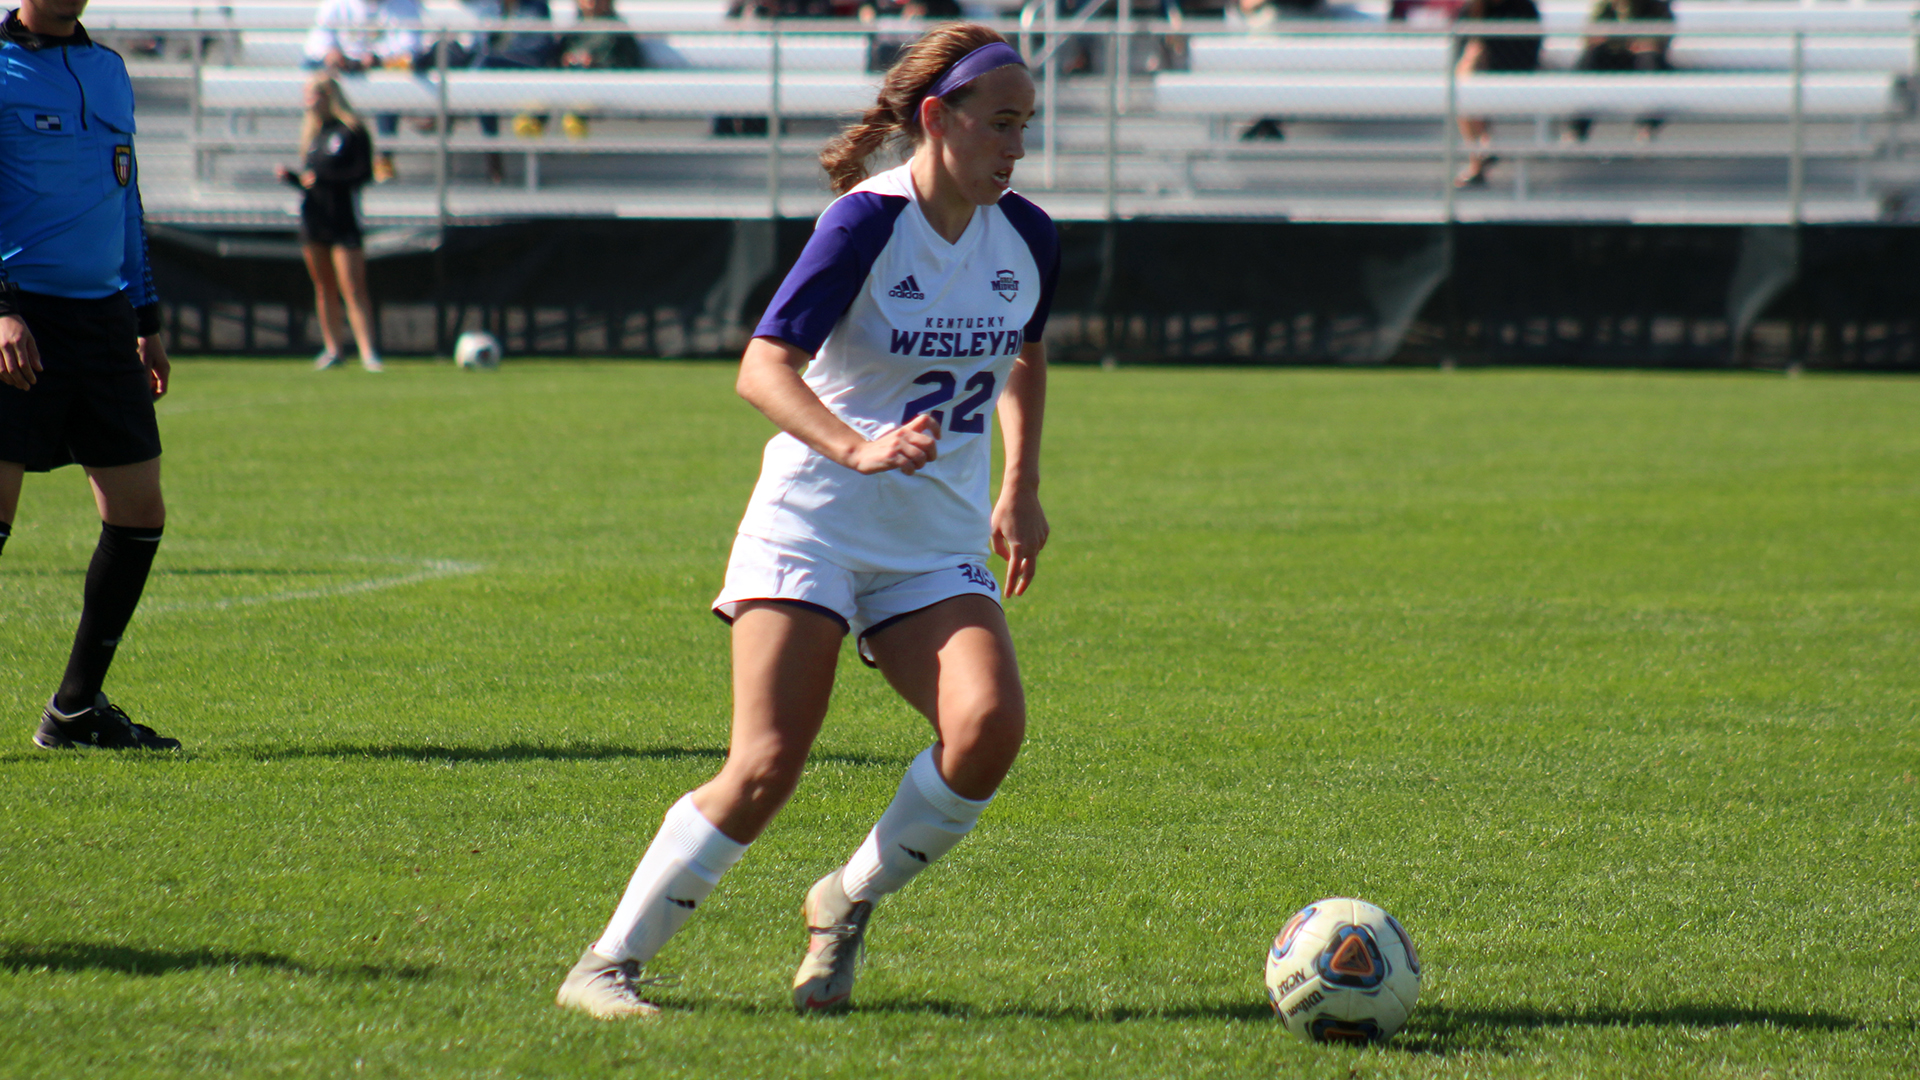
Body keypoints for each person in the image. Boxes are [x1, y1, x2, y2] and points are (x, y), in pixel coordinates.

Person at [554, 22, 1058, 1019]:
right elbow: (761, 368)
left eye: (1026, 128)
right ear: (935, 118)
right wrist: (857, 446)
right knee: (768, 763)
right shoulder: (866, 225)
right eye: (1000, 125)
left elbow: (1024, 356)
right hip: (814, 521)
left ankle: (846, 899)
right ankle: (603, 968)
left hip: (933, 538)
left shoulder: (1030, 234)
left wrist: (1020, 486)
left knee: (989, 728)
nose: (1016, 147)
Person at [1, 0, 180, 751]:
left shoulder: (108, 68)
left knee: (139, 514)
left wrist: (145, 319)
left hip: (104, 320)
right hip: (20, 321)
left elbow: (126, 193)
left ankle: (75, 709)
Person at [277, 75, 383, 373]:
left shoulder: (351, 131)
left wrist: (324, 180)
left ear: (328, 96)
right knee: (323, 286)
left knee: (353, 286)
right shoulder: (313, 134)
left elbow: (362, 174)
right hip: (314, 218)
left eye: (313, 95)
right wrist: (293, 180)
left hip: (342, 218)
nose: (308, 101)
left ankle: (368, 351)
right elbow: (312, 183)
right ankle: (333, 348)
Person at [303, 0, 425, 182]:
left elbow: (411, 47)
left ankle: (384, 155)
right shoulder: (336, 4)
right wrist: (331, 54)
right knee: (314, 73)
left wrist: (377, 59)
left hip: (382, 71)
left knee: (391, 82)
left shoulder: (405, 4)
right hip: (342, 69)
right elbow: (317, 41)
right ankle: (315, 151)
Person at [1452, 0, 1541, 187]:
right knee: (1465, 84)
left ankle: (1480, 155)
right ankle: (1484, 146)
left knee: (1466, 88)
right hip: (1476, 78)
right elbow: (1458, 49)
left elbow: (1529, 49)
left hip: (1512, 70)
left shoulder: (1521, 7)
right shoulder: (1472, 10)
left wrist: (1488, 54)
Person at [1565, 0, 1673, 143]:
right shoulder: (1606, 6)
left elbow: (1658, 41)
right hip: (1614, 57)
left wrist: (1639, 43)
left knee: (1651, 61)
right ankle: (1576, 129)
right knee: (1591, 58)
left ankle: (1647, 128)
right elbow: (1591, 35)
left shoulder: (1655, 6)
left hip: (1640, 60)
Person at [555, 0, 643, 140]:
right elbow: (557, 60)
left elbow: (628, 65)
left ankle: (577, 117)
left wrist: (595, 63)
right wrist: (567, 59)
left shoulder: (618, 30)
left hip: (604, 87)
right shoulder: (572, 32)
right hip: (573, 84)